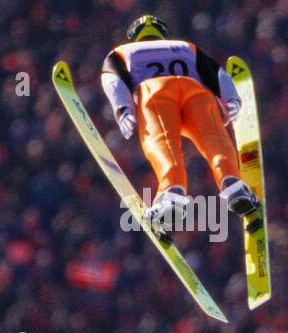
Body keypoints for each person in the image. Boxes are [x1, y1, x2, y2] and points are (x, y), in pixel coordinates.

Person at [100, 14, 260, 233]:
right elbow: (216, 72)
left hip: (155, 90)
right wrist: (231, 99)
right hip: (196, 91)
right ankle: (233, 185)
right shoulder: (186, 47)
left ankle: (172, 195)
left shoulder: (121, 51)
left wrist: (123, 109)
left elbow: (112, 80)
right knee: (214, 141)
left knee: (163, 144)